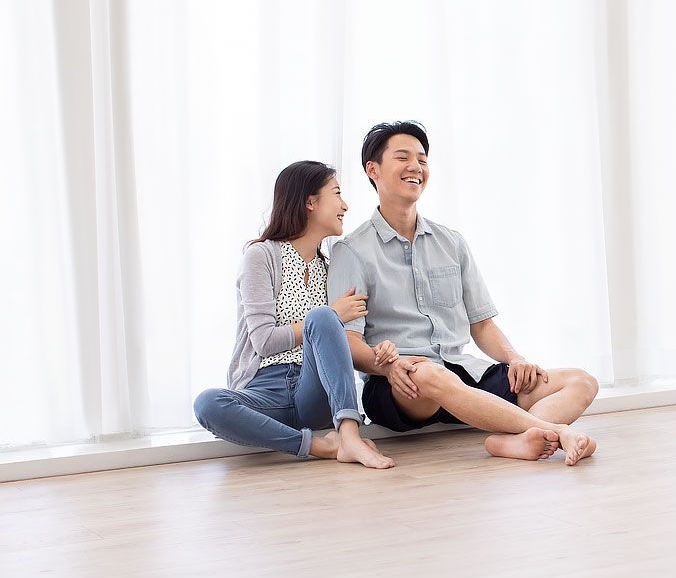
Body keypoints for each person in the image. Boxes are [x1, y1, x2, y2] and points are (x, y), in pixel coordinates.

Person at [328, 121, 599, 465]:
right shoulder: (352, 251)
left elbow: (481, 324)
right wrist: (388, 367)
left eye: (422, 159)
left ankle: (515, 440)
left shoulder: (451, 242)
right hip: (401, 384)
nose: (416, 167)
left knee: (581, 381)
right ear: (373, 170)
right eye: (403, 157)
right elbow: (349, 340)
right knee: (429, 372)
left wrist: (515, 359)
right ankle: (554, 430)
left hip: (465, 375)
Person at [194, 161, 397, 469]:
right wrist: (332, 313)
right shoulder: (261, 256)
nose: (345, 205)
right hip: (266, 391)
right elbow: (263, 341)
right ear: (310, 202)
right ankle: (323, 447)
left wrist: (380, 350)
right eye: (337, 194)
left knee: (323, 318)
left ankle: (349, 434)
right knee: (208, 404)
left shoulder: (332, 268)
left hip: (315, 390)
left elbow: (342, 341)